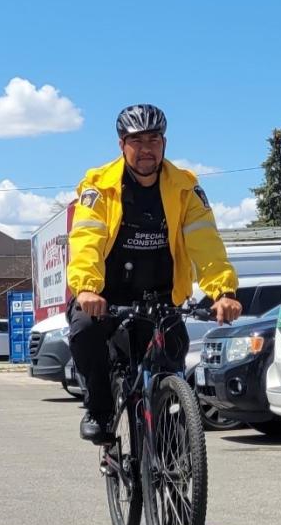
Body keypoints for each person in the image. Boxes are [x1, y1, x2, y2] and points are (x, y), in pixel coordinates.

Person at [66, 104, 243, 445]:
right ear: (122, 145)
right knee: (85, 331)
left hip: (160, 293)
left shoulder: (185, 189)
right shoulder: (100, 187)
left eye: (154, 139)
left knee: (173, 351)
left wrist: (223, 291)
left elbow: (205, 241)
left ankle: (172, 447)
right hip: (106, 296)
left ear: (164, 142)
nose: (146, 148)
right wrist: (87, 288)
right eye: (137, 140)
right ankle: (100, 408)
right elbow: (86, 238)